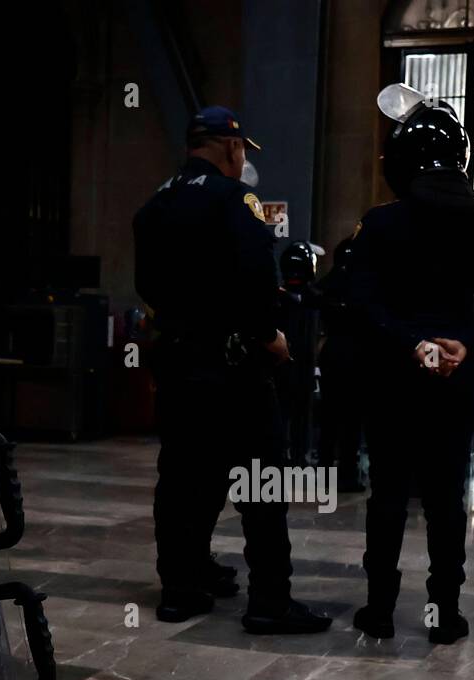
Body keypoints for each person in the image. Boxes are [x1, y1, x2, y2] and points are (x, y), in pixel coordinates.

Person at [132, 105, 331, 633]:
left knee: (181, 480)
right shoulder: (235, 198)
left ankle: (181, 588)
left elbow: (148, 287)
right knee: (261, 482)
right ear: (230, 146)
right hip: (234, 368)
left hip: (178, 365)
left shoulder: (156, 203)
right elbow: (256, 279)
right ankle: (269, 601)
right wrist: (270, 338)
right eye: (242, 150)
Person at [347, 91, 474, 644]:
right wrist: (462, 342)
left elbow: (362, 302)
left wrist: (411, 342)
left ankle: (379, 611)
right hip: (457, 381)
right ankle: (445, 612)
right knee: (446, 495)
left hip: (394, 376)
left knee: (389, 491)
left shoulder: (381, 224)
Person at [315, 238, 366, 491]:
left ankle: (324, 470)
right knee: (351, 418)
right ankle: (346, 473)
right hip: (357, 353)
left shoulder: (330, 282)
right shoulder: (363, 285)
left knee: (330, 415)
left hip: (332, 351)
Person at [277, 240, 322, 465]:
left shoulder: (284, 297)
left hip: (288, 364)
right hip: (297, 364)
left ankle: (289, 452)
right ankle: (296, 453)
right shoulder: (312, 298)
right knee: (296, 410)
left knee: (288, 410)